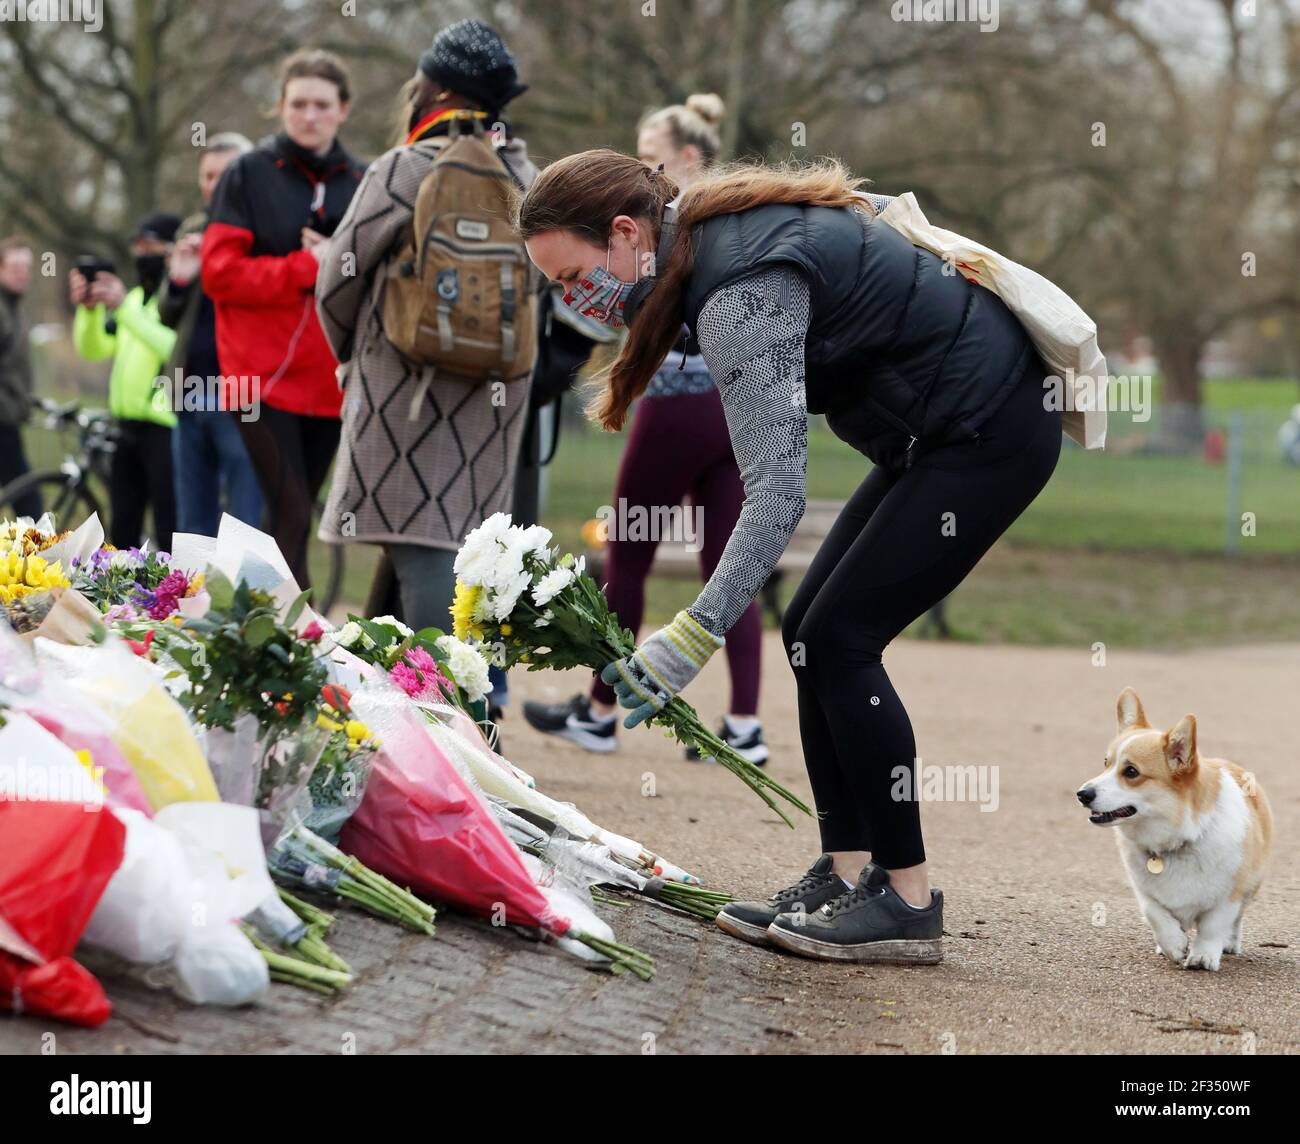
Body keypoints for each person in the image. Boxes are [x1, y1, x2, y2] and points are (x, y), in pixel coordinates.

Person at [517, 150, 1066, 964]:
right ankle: (846, 875)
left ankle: (907, 899)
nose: (573, 300)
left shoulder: (738, 291)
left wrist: (693, 634)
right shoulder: (707, 239)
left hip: (988, 428)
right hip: (946, 422)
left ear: (626, 234)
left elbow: (775, 493)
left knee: (842, 638)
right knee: (810, 628)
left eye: (570, 277)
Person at [522, 95, 769, 766]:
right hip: (735, 408)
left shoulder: (663, 234)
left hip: (678, 406)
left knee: (627, 552)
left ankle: (602, 710)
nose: (638, 159)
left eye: (648, 145)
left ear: (686, 158)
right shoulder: (728, 224)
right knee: (730, 563)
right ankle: (745, 723)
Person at [316, 18, 535, 736]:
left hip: (399, 391)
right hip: (494, 400)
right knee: (438, 540)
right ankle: (386, 713)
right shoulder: (525, 177)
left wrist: (351, 352)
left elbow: (337, 278)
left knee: (421, 545)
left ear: (435, 87)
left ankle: (456, 729)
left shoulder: (406, 167)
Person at [201, 48, 365, 588]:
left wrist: (339, 259)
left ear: (343, 109)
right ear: (280, 108)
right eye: (298, 104)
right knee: (291, 509)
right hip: (257, 381)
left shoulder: (363, 180)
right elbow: (218, 274)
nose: (309, 115)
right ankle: (298, 638)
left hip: (329, 382)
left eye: (321, 104)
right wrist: (304, 266)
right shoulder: (246, 174)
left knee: (290, 516)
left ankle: (255, 633)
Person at [158, 132, 264, 537]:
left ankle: (243, 601)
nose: (214, 185)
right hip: (188, 390)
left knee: (244, 524)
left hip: (242, 393)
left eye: (225, 174)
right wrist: (180, 281)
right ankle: (190, 601)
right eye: (207, 176)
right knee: (192, 527)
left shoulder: (265, 231)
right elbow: (168, 314)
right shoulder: (193, 228)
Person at [70, 213, 181, 549]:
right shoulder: (133, 300)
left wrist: (123, 310)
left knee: (170, 529)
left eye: (150, 246)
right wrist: (89, 311)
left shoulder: (177, 302)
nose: (141, 253)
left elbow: (174, 347)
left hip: (165, 429)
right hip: (127, 428)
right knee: (123, 531)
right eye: (138, 246)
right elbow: (94, 348)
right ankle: (124, 602)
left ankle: (177, 599)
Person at [0, 236, 42, 520]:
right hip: (2, 421)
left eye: (26, 266)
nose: (22, 272)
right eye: (15, 266)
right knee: (30, 503)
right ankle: (36, 560)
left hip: (8, 418)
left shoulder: (14, 307)